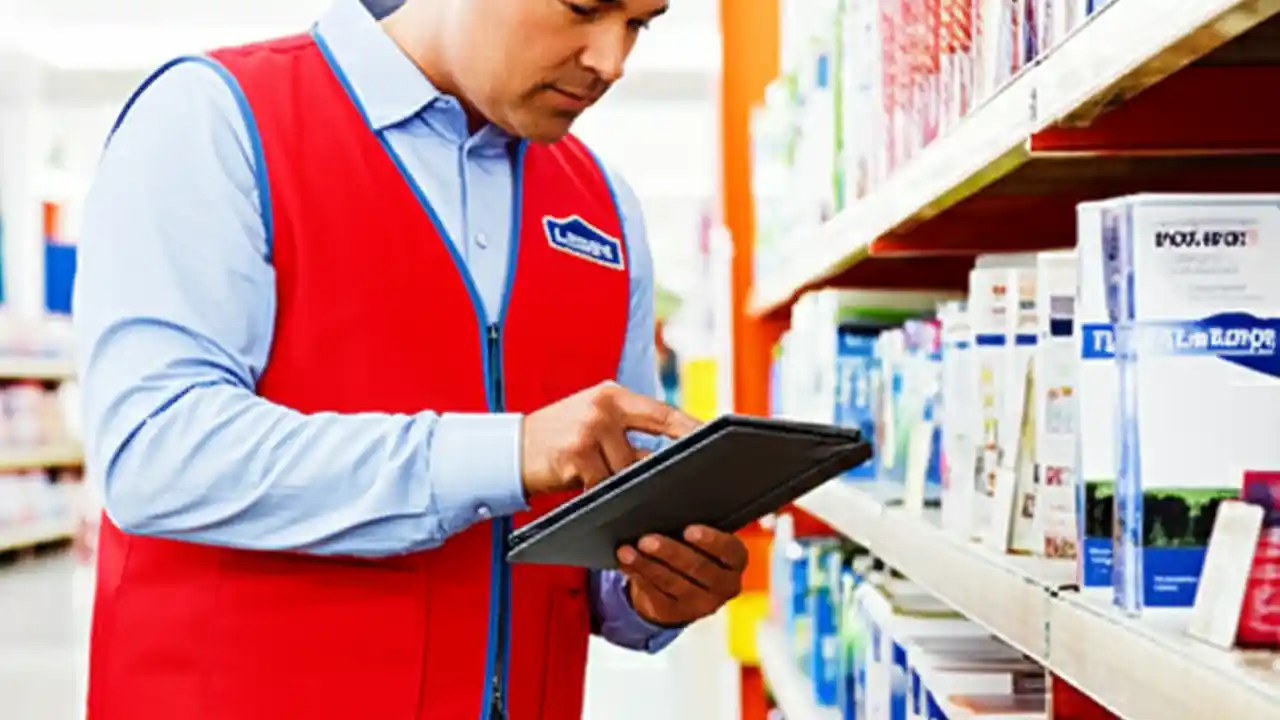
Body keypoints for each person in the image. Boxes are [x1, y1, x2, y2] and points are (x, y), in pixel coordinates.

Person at [72, 0, 749, 718]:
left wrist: (654, 589)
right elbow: (156, 451)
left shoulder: (605, 208)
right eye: (583, 8)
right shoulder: (215, 120)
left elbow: (603, 538)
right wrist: (508, 451)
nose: (611, 61)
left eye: (641, 24)